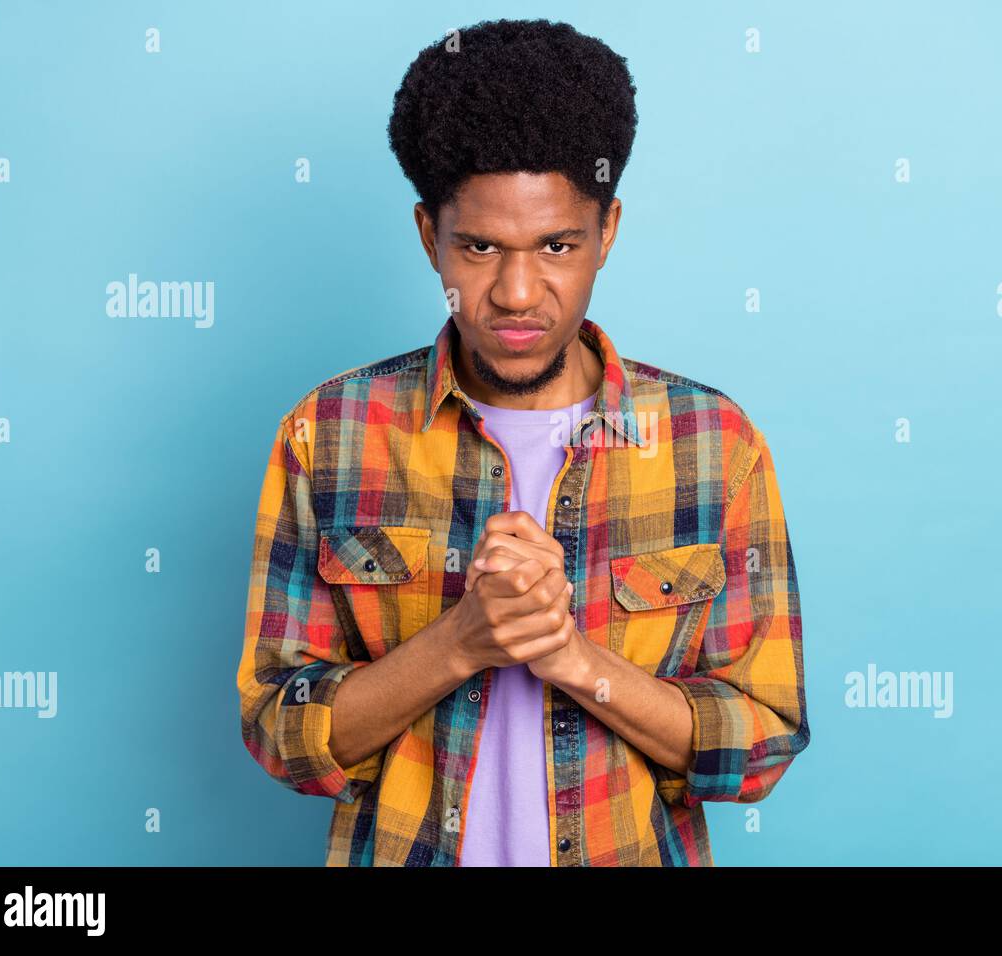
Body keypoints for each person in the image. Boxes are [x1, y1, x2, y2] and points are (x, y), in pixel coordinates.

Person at [237, 17, 808, 867]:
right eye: (477, 247)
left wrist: (575, 660)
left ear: (607, 231)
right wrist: (460, 640)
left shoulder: (711, 443)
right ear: (429, 234)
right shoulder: (331, 434)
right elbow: (281, 733)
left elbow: (759, 743)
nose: (514, 291)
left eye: (556, 246)